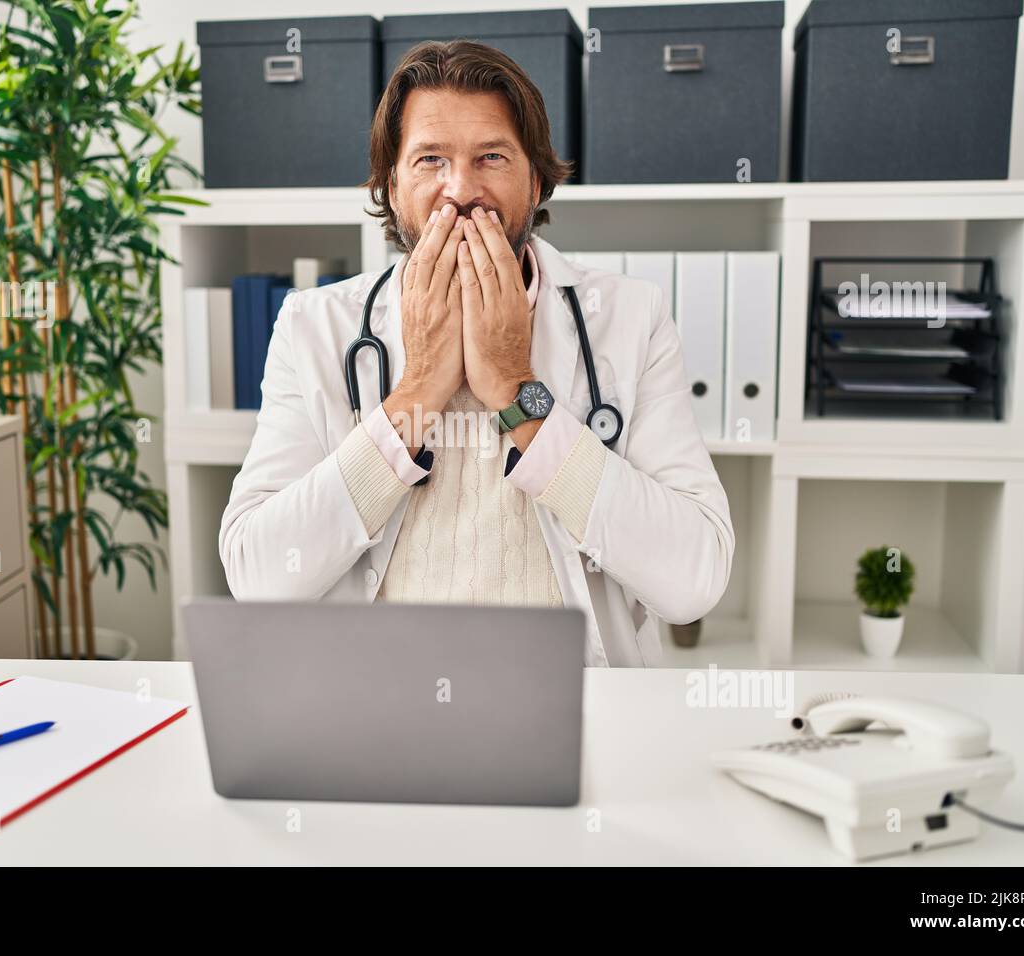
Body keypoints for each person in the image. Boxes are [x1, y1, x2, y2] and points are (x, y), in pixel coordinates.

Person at [219, 40, 734, 666]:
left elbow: (694, 582)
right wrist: (415, 395)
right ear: (390, 186)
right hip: (378, 704)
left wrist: (520, 393)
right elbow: (259, 578)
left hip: (574, 702)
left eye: (491, 156)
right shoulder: (313, 325)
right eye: (430, 159)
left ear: (536, 180)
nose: (459, 189)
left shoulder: (630, 317)